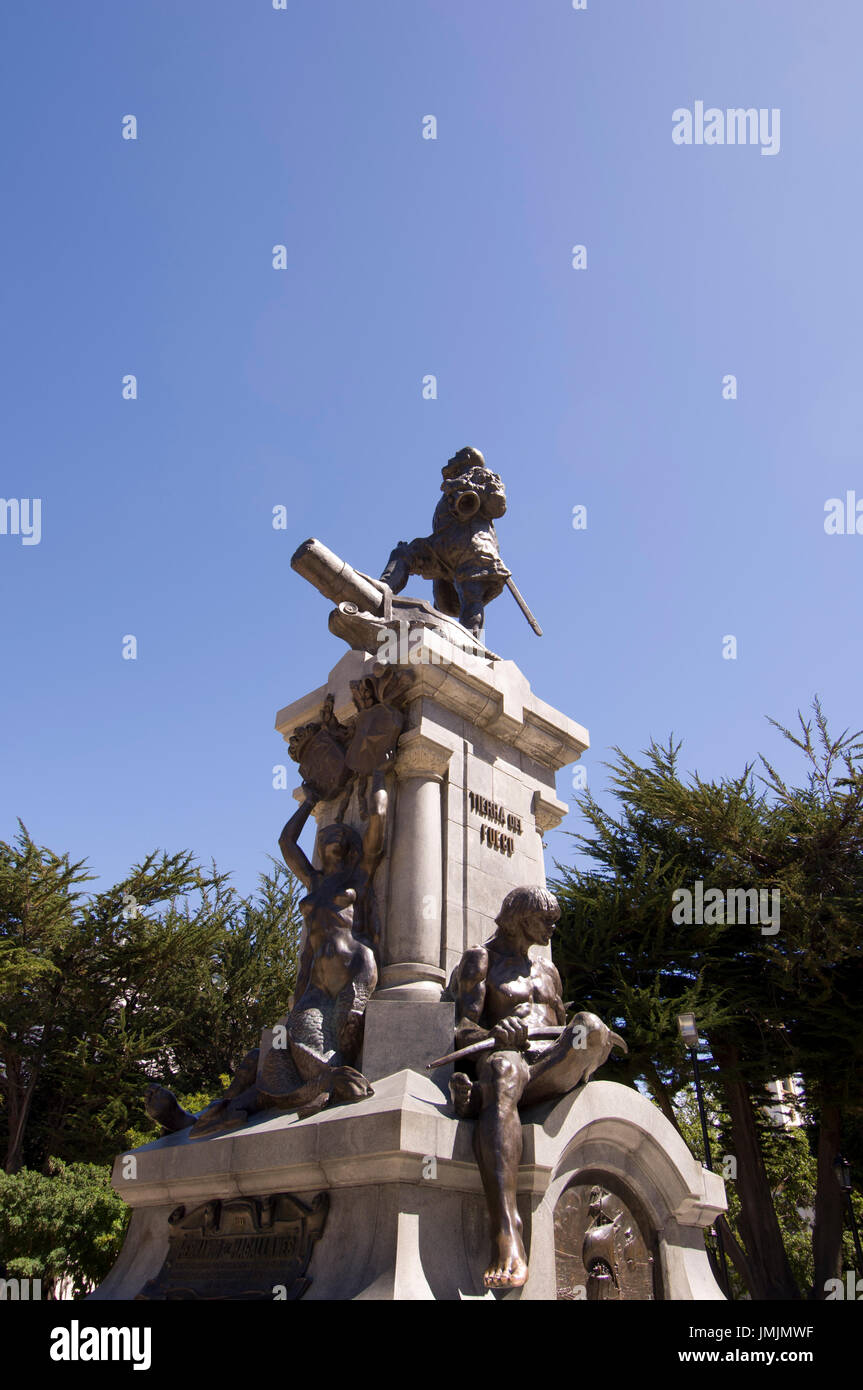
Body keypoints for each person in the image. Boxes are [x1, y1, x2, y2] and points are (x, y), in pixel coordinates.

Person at [445, 885, 627, 1290]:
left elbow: (563, 1025)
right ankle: (507, 1230)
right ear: (519, 917)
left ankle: (481, 1102)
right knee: (502, 1070)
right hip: (512, 1061)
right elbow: (460, 1031)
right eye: (545, 919)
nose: (552, 927)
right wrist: (496, 1032)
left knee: (591, 1028)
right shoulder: (481, 959)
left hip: (550, 1062)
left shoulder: (547, 970)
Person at [380, 446, 510, 639]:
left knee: (470, 597)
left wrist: (473, 488)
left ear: (466, 458)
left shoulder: (483, 475)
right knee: (404, 553)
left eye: (457, 456)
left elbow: (498, 506)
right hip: (442, 547)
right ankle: (382, 590)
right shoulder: (452, 484)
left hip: (472, 547)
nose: (451, 459)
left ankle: (471, 643)